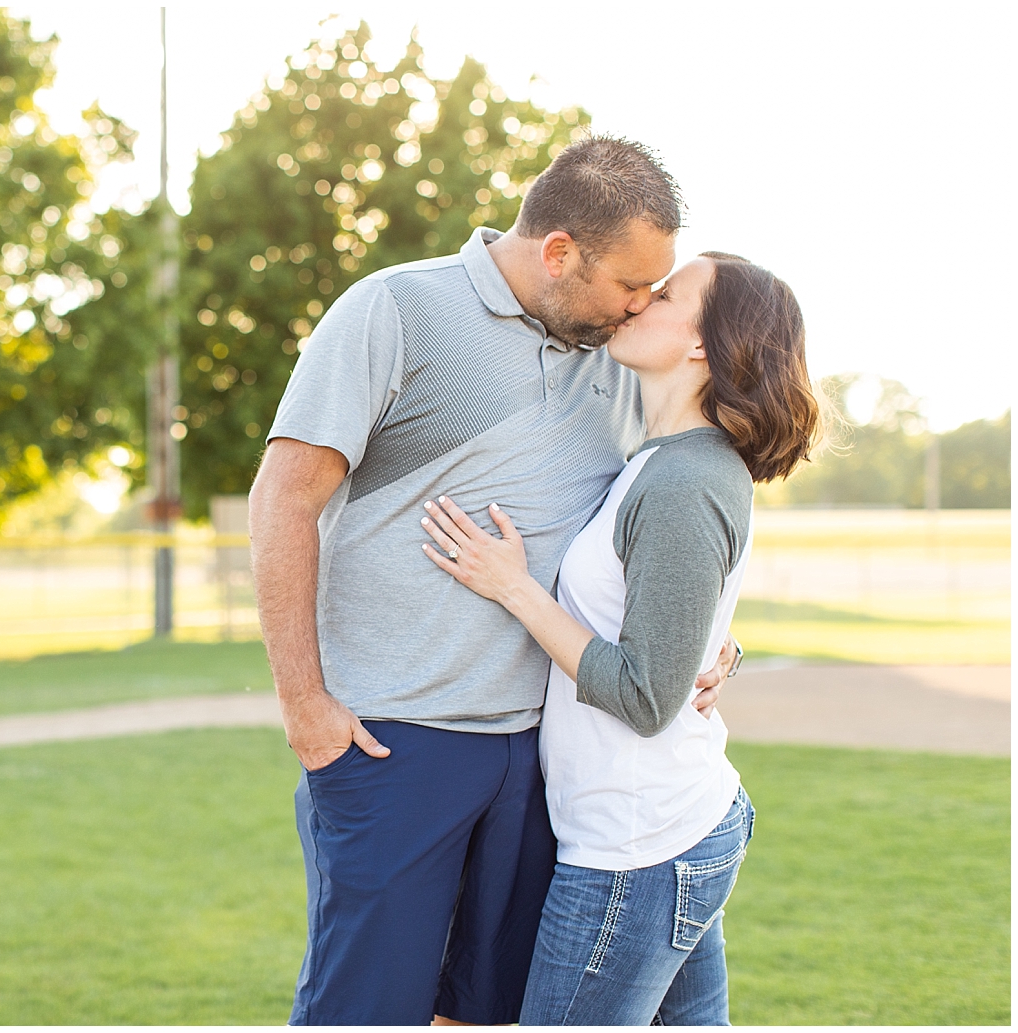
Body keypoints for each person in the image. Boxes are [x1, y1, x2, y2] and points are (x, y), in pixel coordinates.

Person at [248, 136, 738, 1026]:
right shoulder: (394, 310)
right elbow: (282, 499)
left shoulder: (619, 362)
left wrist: (713, 643)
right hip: (396, 739)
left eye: (656, 292)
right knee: (365, 1008)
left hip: (541, 751)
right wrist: (303, 703)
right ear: (558, 252)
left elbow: (668, 527)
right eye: (631, 285)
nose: (640, 306)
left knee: (486, 1011)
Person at [417, 252, 818, 1024]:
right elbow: (669, 612)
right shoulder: (661, 460)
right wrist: (719, 649)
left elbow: (644, 696)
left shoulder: (684, 479)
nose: (635, 303)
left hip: (637, 851)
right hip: (665, 833)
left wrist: (512, 586)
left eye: (664, 294)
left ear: (703, 342)